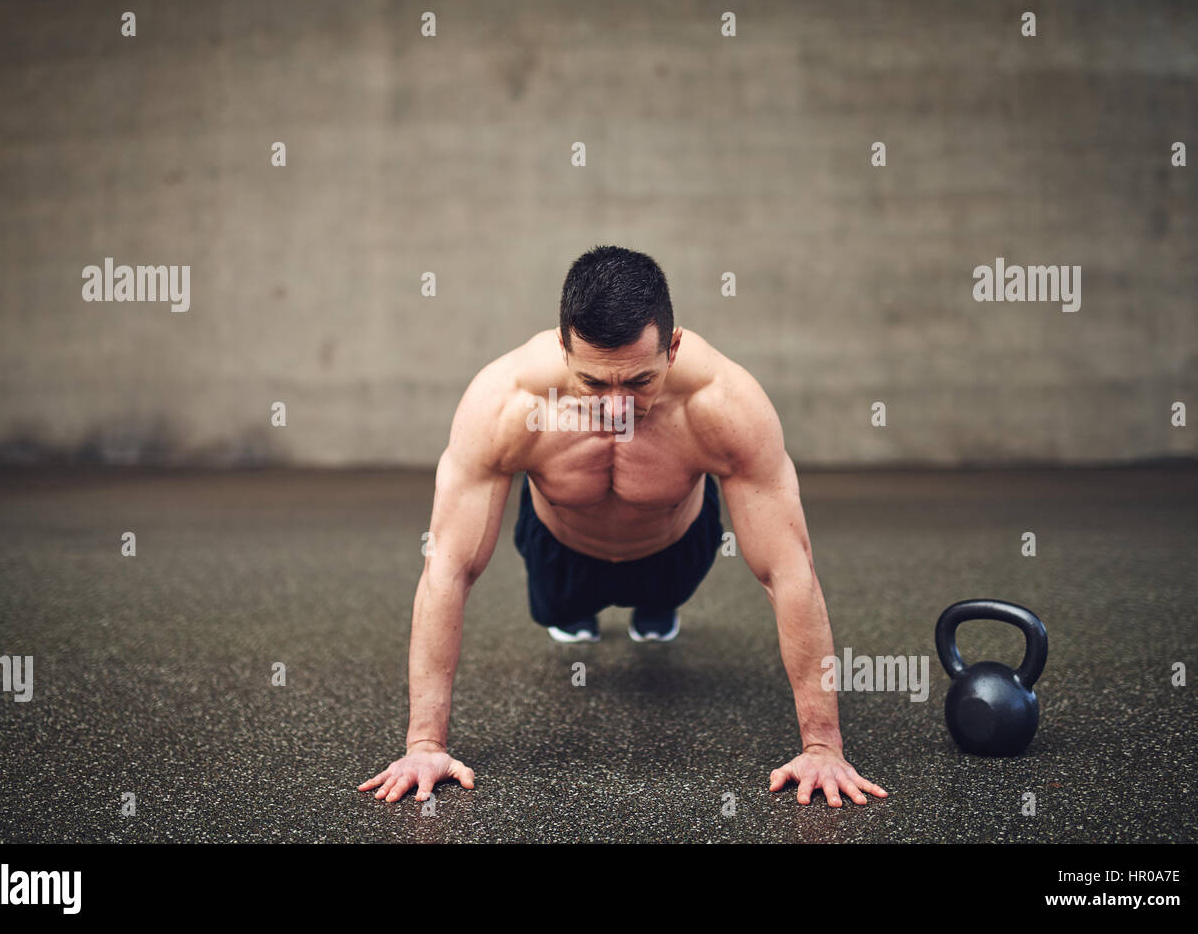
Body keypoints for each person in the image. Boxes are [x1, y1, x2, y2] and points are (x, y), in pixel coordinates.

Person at [360, 245, 888, 808]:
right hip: (561, 550)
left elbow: (789, 569)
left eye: (638, 382)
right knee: (566, 618)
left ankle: (656, 604)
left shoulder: (723, 403)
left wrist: (823, 747)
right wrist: (424, 743)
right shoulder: (507, 403)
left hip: (674, 548)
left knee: (660, 606)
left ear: (674, 347)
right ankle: (581, 608)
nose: (617, 410)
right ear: (564, 349)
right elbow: (448, 567)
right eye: (594, 383)